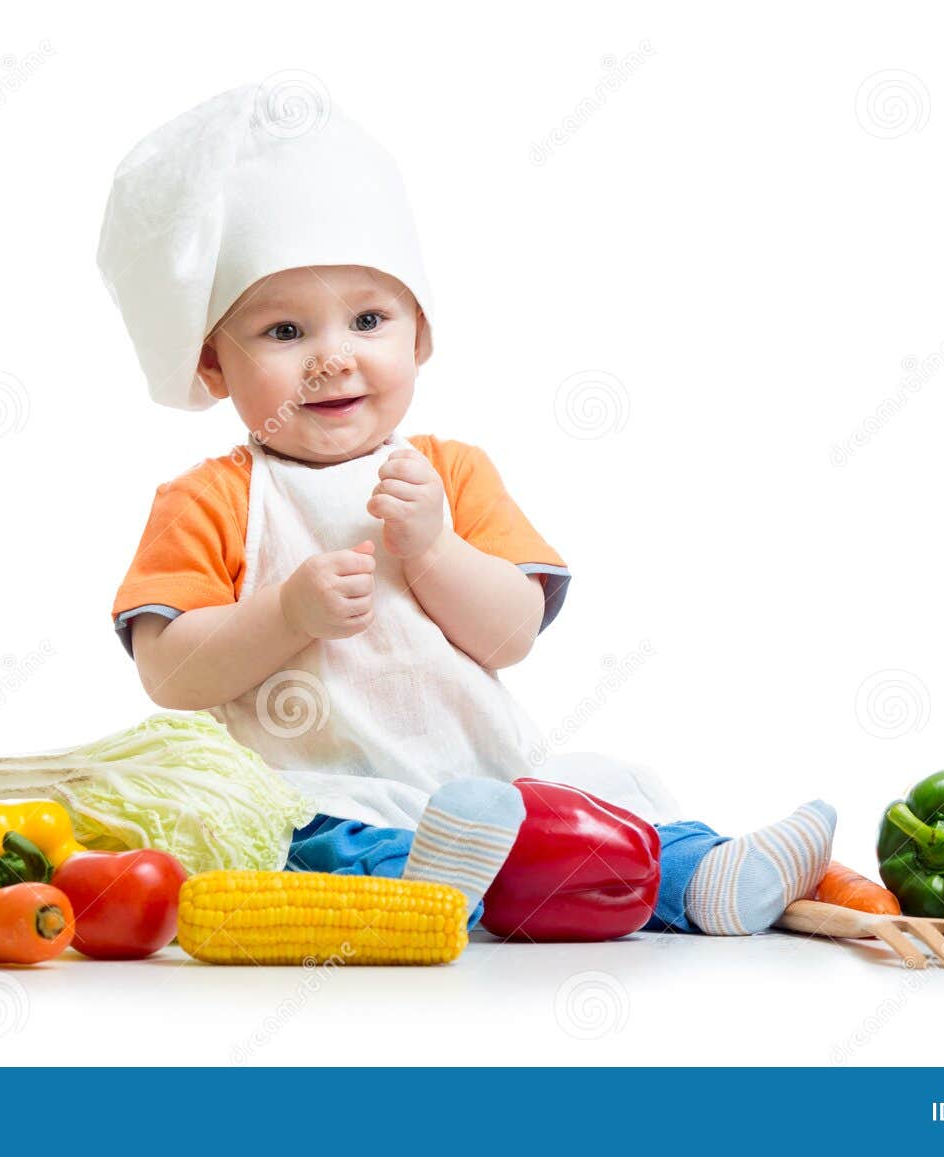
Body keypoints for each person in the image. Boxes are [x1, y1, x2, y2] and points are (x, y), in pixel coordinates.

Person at [98, 80, 833, 937]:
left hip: (484, 775)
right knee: (328, 846)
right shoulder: (209, 499)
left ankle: (704, 878)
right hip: (316, 787)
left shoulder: (451, 473)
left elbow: (512, 632)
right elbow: (170, 673)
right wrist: (285, 611)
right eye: (285, 333)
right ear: (215, 366)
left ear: (421, 336)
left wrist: (436, 550)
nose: (333, 359)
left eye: (368, 319)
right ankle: (435, 887)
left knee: (591, 812)